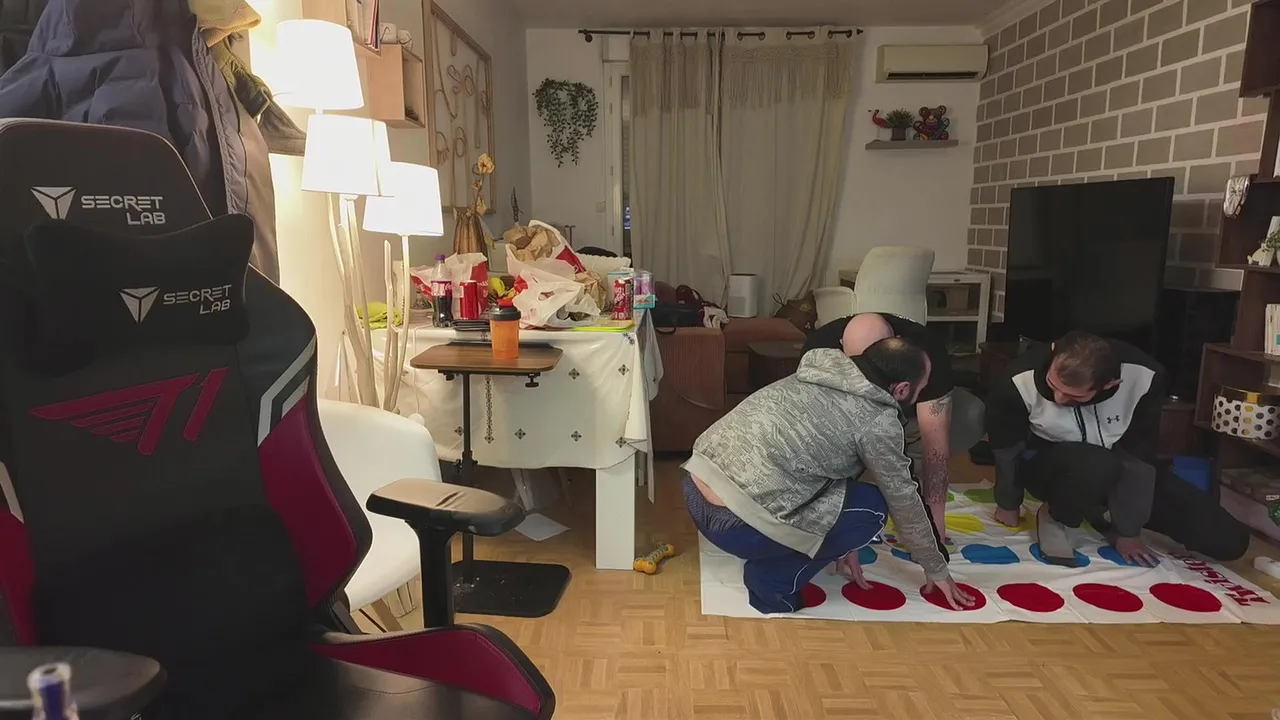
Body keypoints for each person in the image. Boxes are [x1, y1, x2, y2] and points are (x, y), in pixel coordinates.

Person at [683, 337, 975, 613]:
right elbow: (904, 500)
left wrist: (845, 542)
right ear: (901, 390)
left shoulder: (815, 372)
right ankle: (771, 582)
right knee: (873, 508)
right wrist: (936, 567)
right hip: (736, 527)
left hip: (695, 490)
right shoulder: (878, 421)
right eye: (921, 389)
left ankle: (772, 551)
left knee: (827, 487)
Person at [986, 330, 1250, 565]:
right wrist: (1008, 501)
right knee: (1097, 464)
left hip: (1118, 467)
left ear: (1110, 385)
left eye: (1073, 396)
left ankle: (1100, 513)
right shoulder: (1017, 378)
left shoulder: (1145, 377)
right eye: (1054, 386)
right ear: (1054, 352)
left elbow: (1139, 455)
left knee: (1229, 541)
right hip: (1053, 468)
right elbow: (1007, 449)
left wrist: (1129, 531)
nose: (1058, 398)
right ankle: (1057, 516)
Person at [806, 313, 986, 538]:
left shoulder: (925, 354)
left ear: (896, 345)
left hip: (910, 419)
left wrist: (934, 526)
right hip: (851, 421)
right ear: (841, 348)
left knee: (970, 414)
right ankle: (876, 472)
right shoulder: (819, 350)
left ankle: (906, 470)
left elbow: (936, 450)